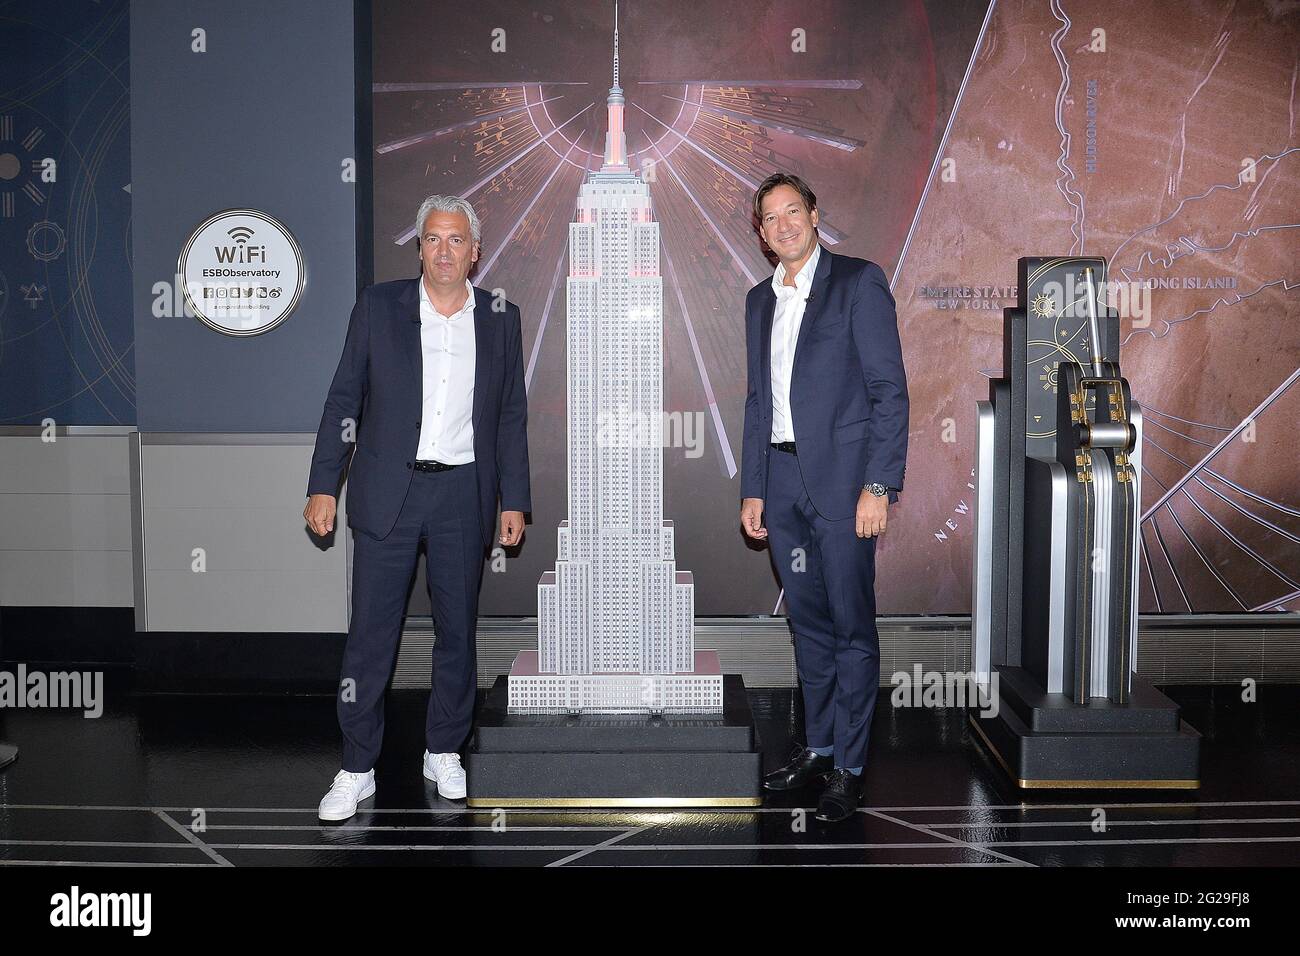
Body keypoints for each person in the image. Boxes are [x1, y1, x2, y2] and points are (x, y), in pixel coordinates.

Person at [304, 194, 530, 821]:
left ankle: (444, 750)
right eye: (433, 238)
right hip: (387, 494)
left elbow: (511, 414)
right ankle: (356, 766)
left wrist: (517, 498)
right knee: (371, 636)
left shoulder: (501, 317)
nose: (444, 250)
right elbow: (343, 397)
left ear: (475, 252)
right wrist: (325, 483)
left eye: (457, 239)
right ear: (420, 246)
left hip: (464, 494)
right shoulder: (379, 307)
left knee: (457, 633)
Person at [739, 173, 909, 822]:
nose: (783, 226)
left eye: (793, 211)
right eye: (769, 218)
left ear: (815, 213)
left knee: (850, 627)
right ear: (759, 232)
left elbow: (889, 392)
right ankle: (819, 746)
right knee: (807, 624)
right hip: (780, 489)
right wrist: (754, 488)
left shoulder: (858, 283)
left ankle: (851, 767)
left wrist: (878, 485)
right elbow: (759, 402)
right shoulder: (759, 301)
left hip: (844, 489)